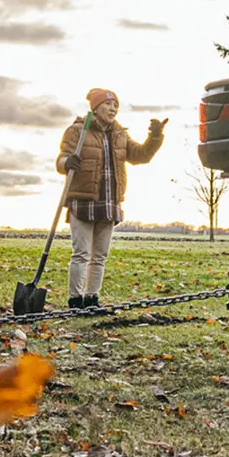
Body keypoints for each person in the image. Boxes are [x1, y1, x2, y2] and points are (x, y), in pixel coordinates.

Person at [56, 88, 166, 309]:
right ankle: (75, 301)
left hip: (109, 202)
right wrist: (67, 163)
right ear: (95, 108)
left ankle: (91, 299)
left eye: (116, 105)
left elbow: (141, 155)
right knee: (81, 254)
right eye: (108, 104)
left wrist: (155, 137)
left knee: (99, 256)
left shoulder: (120, 135)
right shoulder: (77, 130)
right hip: (83, 201)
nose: (113, 108)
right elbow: (61, 159)